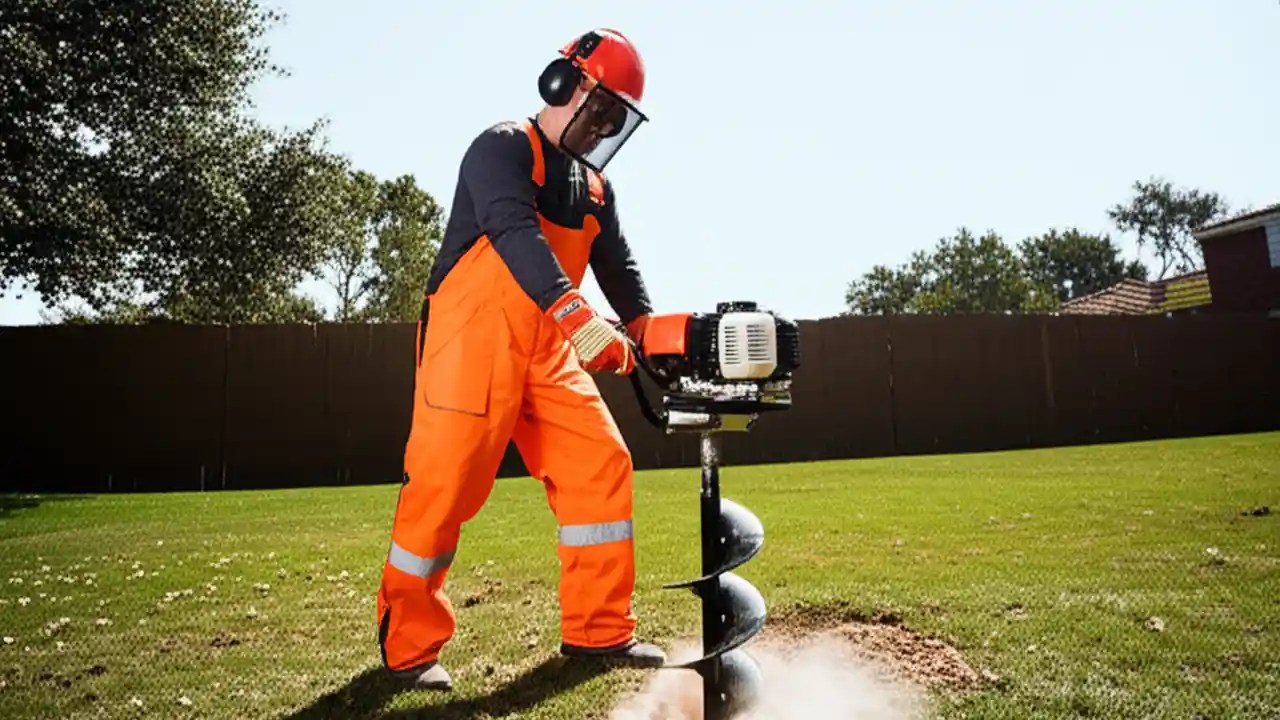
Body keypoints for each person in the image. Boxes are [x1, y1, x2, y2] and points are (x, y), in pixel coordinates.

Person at [375, 28, 667, 691]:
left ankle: (599, 632)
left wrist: (652, 336)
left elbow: (618, 269)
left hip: (549, 346)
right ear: (562, 86)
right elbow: (512, 228)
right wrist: (576, 316)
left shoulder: (595, 190)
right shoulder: (502, 148)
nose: (600, 129)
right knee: (444, 486)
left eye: (613, 120)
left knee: (600, 464)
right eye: (596, 111)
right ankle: (409, 645)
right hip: (471, 342)